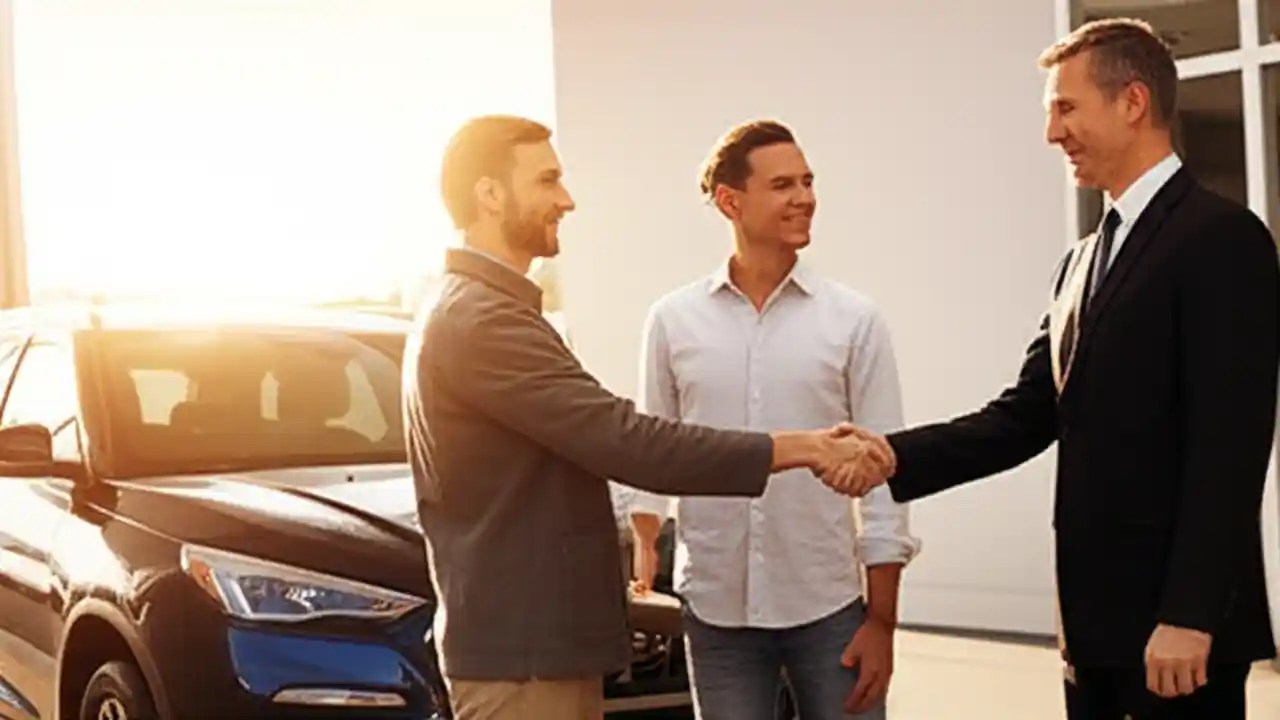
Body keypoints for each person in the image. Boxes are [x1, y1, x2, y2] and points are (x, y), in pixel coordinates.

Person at [838, 18, 1280, 719]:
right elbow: (1025, 416)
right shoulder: (1079, 263)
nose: (1052, 133)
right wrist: (892, 455)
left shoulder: (1223, 238)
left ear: (1133, 102)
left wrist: (1190, 614)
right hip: (1092, 632)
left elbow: (1229, 447)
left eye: (1065, 108)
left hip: (1176, 640)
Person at [402, 114, 891, 720]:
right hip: (524, 658)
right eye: (548, 180)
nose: (567, 200)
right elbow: (627, 440)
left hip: (533, 652)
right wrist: (804, 448)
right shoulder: (485, 320)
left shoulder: (479, 308)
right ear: (490, 195)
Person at [617, 119, 920, 720]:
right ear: (730, 201)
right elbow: (655, 449)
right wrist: (645, 550)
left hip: (828, 608)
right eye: (783, 185)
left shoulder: (854, 320)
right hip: (715, 614)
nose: (804, 197)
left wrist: (882, 621)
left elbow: (886, 474)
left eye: (808, 182)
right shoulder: (673, 320)